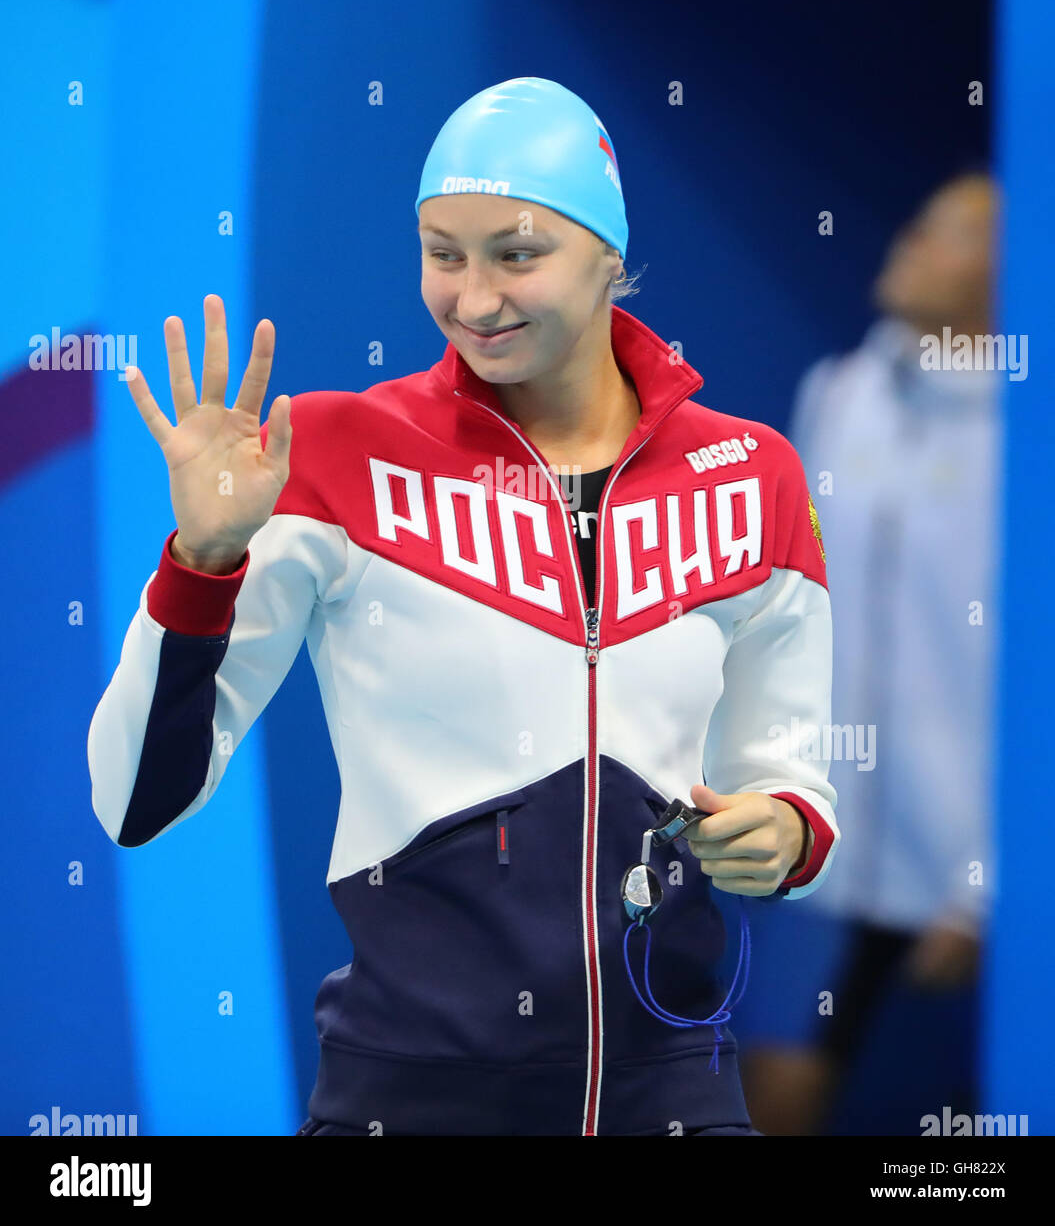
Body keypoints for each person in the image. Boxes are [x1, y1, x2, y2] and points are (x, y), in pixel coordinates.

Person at [87, 77, 838, 1137]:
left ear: (609, 258)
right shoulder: (333, 455)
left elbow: (788, 772)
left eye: (516, 254)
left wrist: (787, 832)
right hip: (411, 1098)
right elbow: (136, 801)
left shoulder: (747, 473)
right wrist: (202, 563)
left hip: (675, 1092)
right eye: (443, 253)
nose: (473, 298)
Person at [738, 172, 999, 1135]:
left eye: (946, 234)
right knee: (775, 1092)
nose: (907, 243)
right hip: (833, 838)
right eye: (918, 219)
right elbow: (793, 601)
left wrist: (989, 884)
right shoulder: (839, 390)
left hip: (979, 855)